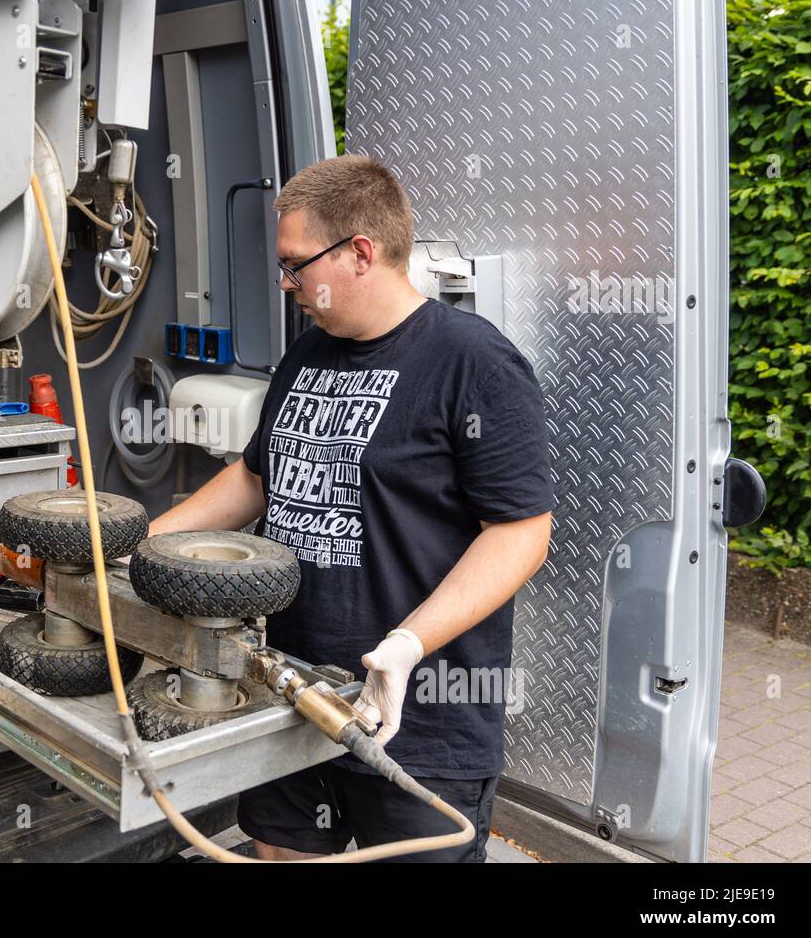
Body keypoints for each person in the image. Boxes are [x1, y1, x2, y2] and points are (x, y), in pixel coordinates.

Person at [146, 155, 555, 862]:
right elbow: (255, 479)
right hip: (291, 699)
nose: (286, 283)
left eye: (296, 264)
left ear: (360, 252)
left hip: (418, 724)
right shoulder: (308, 354)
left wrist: (407, 644)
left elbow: (521, 534)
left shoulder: (474, 364)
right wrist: (135, 543)